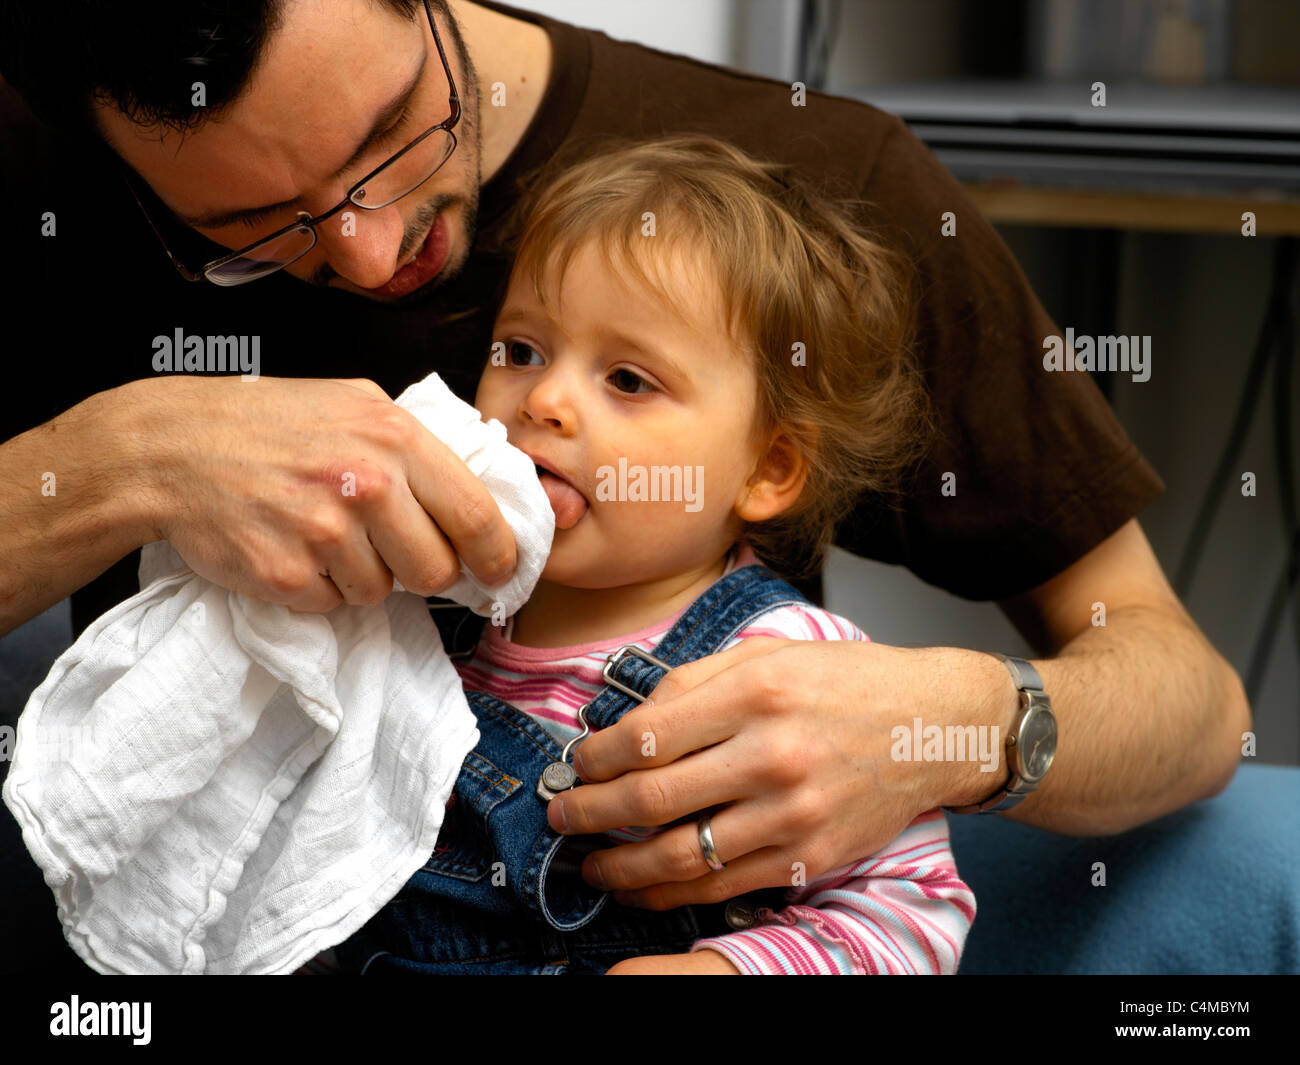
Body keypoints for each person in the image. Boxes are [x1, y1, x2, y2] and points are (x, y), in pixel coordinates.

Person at [0, 0, 1248, 956]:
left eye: (391, 137)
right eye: (251, 230)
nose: (374, 252)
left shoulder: (811, 193)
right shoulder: (42, 161)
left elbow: (1188, 697)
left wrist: (950, 731)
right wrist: (113, 463)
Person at [334, 133, 973, 974]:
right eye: (522, 351)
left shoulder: (785, 665)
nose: (547, 401)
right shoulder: (421, 593)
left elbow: (913, 911)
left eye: (628, 381)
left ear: (768, 467)